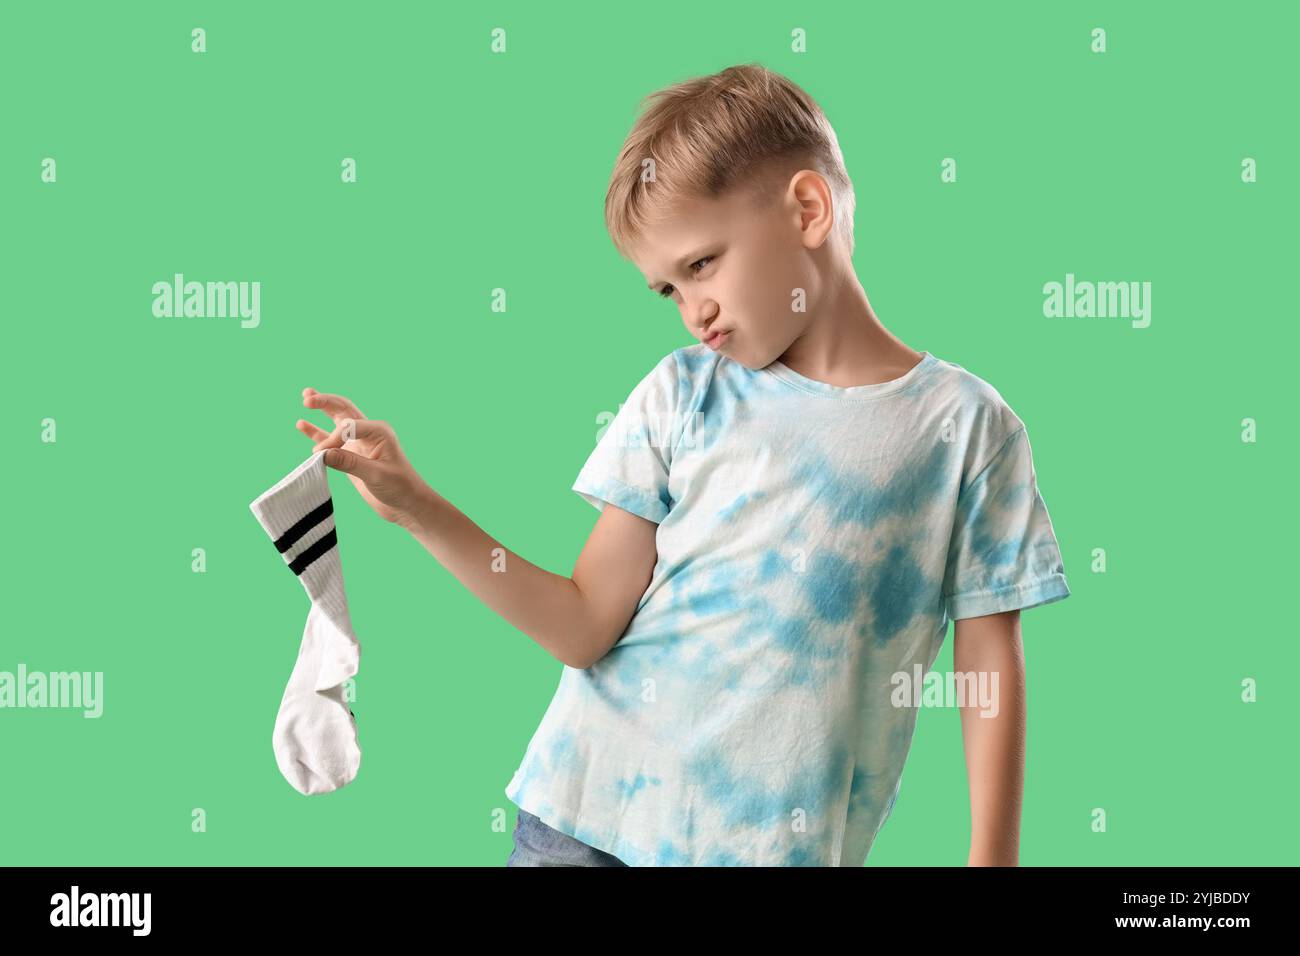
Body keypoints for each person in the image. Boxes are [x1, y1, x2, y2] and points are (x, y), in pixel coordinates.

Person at [296, 63, 1070, 867]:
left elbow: (989, 660)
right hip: (583, 825)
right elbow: (585, 623)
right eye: (667, 288)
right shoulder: (682, 393)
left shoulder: (968, 430)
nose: (692, 310)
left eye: (702, 264)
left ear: (808, 209)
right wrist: (417, 504)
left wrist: (993, 859)